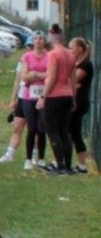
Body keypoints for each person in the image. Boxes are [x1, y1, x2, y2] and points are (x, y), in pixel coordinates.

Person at [38, 25, 76, 174]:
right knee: (64, 131)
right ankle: (68, 165)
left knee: (53, 131)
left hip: (54, 95)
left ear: (51, 36)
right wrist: (74, 97)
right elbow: (72, 79)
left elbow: (51, 77)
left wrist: (43, 96)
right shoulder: (70, 54)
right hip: (67, 94)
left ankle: (59, 165)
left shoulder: (53, 54)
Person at [19, 31, 50, 170]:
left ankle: (42, 158)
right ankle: (28, 159)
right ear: (32, 41)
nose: (38, 41)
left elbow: (50, 75)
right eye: (36, 39)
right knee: (31, 128)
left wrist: (35, 74)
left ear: (44, 41)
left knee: (42, 128)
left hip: (44, 95)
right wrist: (37, 76)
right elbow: (24, 77)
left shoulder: (49, 56)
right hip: (28, 95)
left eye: (41, 38)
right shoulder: (26, 56)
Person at [69, 37, 93, 173]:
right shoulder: (77, 63)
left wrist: (72, 82)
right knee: (73, 132)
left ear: (79, 49)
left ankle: (66, 162)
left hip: (79, 102)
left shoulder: (85, 64)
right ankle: (81, 165)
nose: (70, 50)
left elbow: (74, 79)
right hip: (75, 100)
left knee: (71, 132)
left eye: (72, 47)